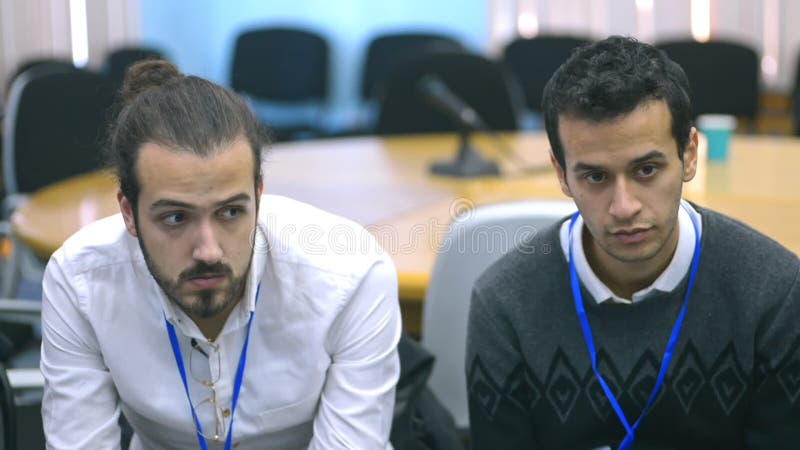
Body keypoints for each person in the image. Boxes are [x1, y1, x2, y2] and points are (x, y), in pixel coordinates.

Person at [40, 61, 402, 449]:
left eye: (230, 212)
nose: (208, 251)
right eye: (175, 218)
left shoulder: (351, 278)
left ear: (258, 196)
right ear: (129, 213)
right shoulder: (80, 282)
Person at [466, 36, 800, 449]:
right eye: (595, 177)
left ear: (689, 154)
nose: (624, 207)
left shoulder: (774, 292)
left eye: (646, 170)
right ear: (561, 173)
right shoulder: (504, 304)